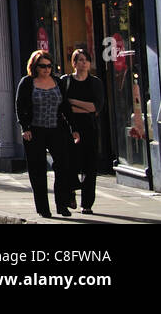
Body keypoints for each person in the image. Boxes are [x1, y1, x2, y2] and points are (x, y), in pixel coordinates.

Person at [17, 50, 79, 218]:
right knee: (37, 170)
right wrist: (25, 128)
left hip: (56, 129)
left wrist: (74, 128)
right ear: (35, 67)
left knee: (63, 166)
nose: (46, 69)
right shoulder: (27, 82)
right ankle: (43, 208)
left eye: (49, 66)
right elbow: (20, 107)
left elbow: (65, 107)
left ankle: (62, 204)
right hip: (35, 131)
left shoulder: (57, 82)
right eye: (42, 66)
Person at [61, 48, 104, 214]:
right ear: (73, 63)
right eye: (80, 59)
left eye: (86, 59)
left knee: (89, 166)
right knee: (71, 164)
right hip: (70, 128)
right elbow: (64, 107)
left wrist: (73, 102)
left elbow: (96, 107)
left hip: (90, 127)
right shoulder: (66, 81)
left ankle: (87, 203)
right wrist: (80, 107)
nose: (84, 62)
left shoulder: (95, 83)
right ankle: (70, 194)